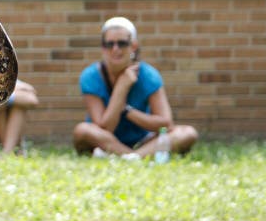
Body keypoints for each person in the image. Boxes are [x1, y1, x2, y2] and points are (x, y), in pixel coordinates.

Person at [72, 17, 198, 159]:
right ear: (103, 48)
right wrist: (122, 87)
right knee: (82, 130)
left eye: (122, 43)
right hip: (104, 141)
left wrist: (127, 111)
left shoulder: (149, 75)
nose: (115, 49)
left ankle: (132, 157)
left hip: (143, 142)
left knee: (187, 133)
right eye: (109, 44)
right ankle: (133, 156)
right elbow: (105, 129)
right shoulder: (91, 76)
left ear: (133, 46)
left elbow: (166, 125)